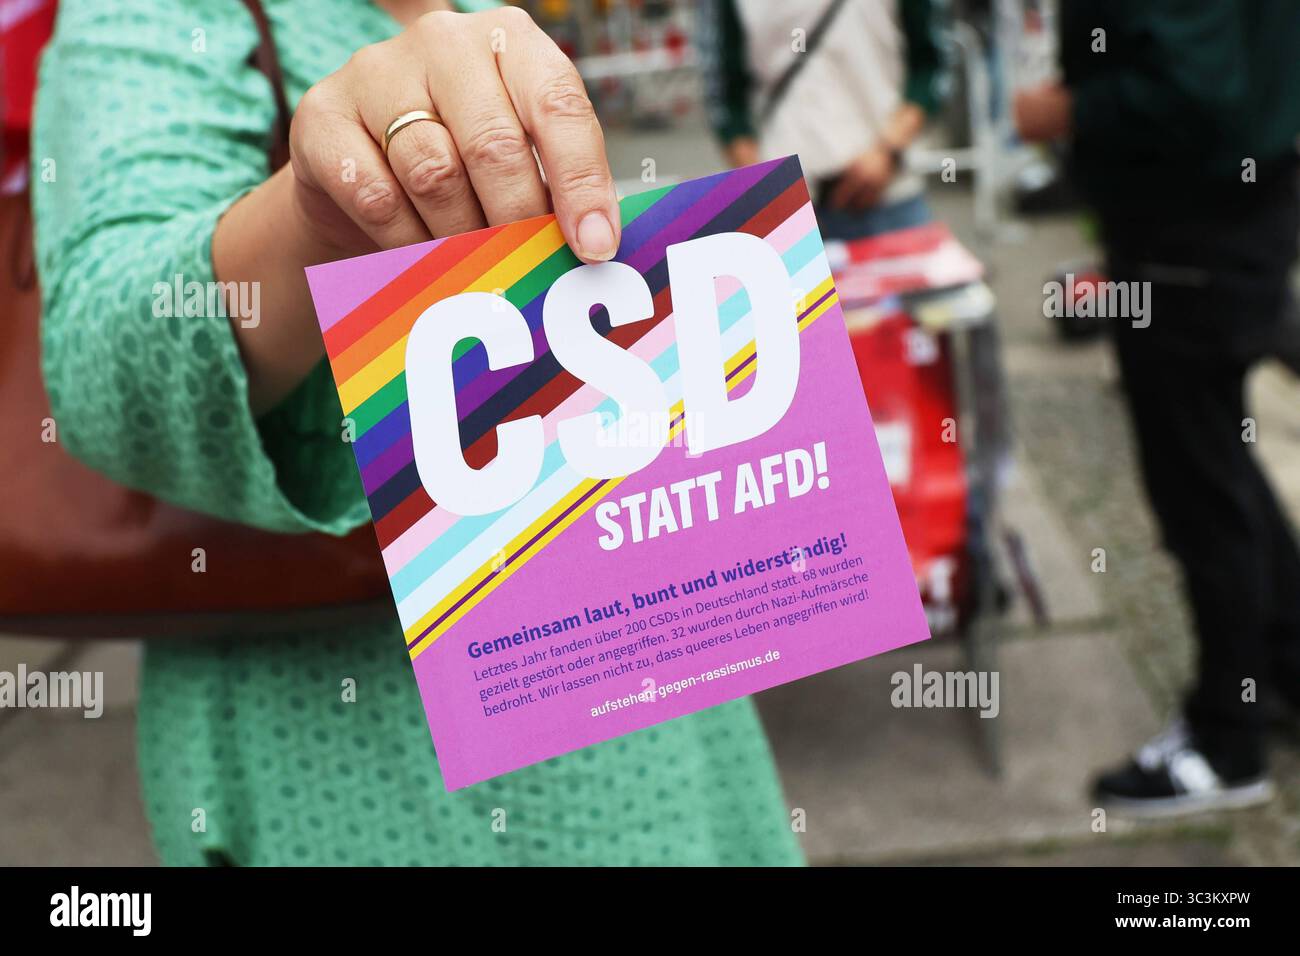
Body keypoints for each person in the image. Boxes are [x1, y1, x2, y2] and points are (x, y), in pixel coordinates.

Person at [32, 0, 803, 865]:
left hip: (646, 679)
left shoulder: (488, 12)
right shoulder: (156, 14)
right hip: (354, 745)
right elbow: (103, 362)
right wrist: (312, 218)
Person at [1016, 0, 1300, 817]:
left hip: (1193, 241)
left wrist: (1065, 111)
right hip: (1218, 227)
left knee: (1198, 492)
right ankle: (1280, 664)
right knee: (1220, 463)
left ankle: (1227, 741)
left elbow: (1195, 91)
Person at [700, 0, 946, 241]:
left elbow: (932, 64)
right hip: (786, 214)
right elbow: (725, 99)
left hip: (891, 198)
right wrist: (767, 190)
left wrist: (888, 150)